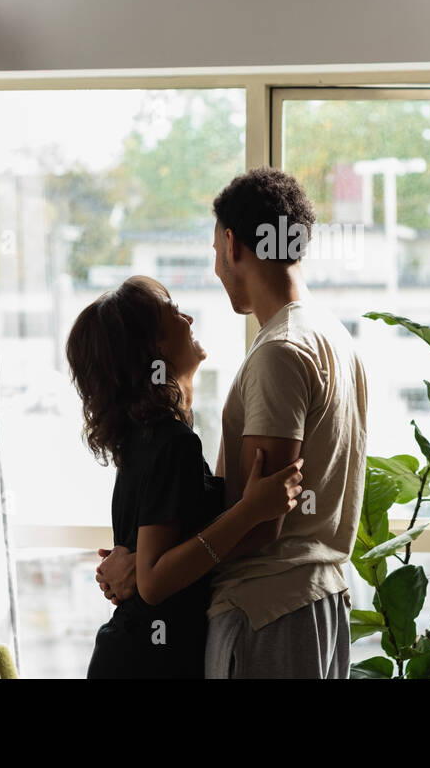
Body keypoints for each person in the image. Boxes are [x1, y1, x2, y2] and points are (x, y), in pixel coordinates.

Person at [97, 169, 369, 678]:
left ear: (230, 243)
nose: (216, 268)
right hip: (317, 600)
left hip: (267, 611)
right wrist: (142, 557)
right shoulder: (332, 335)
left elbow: (262, 519)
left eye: (213, 250)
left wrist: (145, 569)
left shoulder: (279, 351)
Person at [66, 274, 304, 678]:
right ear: (154, 348)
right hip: (147, 662)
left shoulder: (152, 436)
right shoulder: (170, 441)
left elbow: (156, 563)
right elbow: (156, 582)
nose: (189, 318)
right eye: (173, 312)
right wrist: (251, 511)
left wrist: (138, 561)